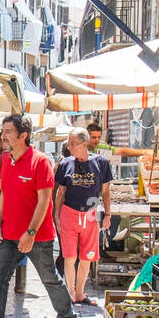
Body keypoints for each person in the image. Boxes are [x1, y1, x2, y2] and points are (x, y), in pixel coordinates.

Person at [0, 113, 79, 318]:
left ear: (23, 136)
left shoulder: (40, 161)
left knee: (49, 278)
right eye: (4, 131)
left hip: (36, 235)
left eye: (8, 132)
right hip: (9, 233)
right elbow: (3, 194)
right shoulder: (6, 160)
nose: (3, 136)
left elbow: (44, 200)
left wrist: (30, 233)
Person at [54, 127, 112, 306]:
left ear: (84, 144)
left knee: (87, 256)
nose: (69, 147)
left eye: (72, 144)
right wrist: (56, 215)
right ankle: (70, 292)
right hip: (69, 212)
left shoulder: (101, 162)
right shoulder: (66, 164)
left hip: (91, 214)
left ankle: (80, 293)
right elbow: (60, 192)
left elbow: (106, 190)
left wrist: (108, 214)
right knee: (69, 256)